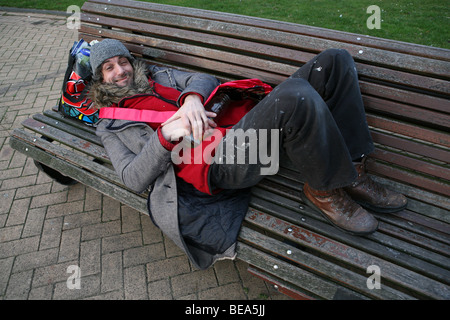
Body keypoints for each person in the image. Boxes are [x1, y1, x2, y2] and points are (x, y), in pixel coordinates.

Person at [88, 39, 407, 269]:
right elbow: (132, 177)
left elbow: (203, 79)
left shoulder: (159, 77)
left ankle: (352, 171)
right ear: (100, 79)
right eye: (109, 67)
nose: (120, 71)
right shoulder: (111, 124)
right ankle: (323, 191)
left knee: (334, 61)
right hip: (217, 162)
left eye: (123, 61)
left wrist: (192, 98)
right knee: (296, 96)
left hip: (248, 126)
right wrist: (165, 138)